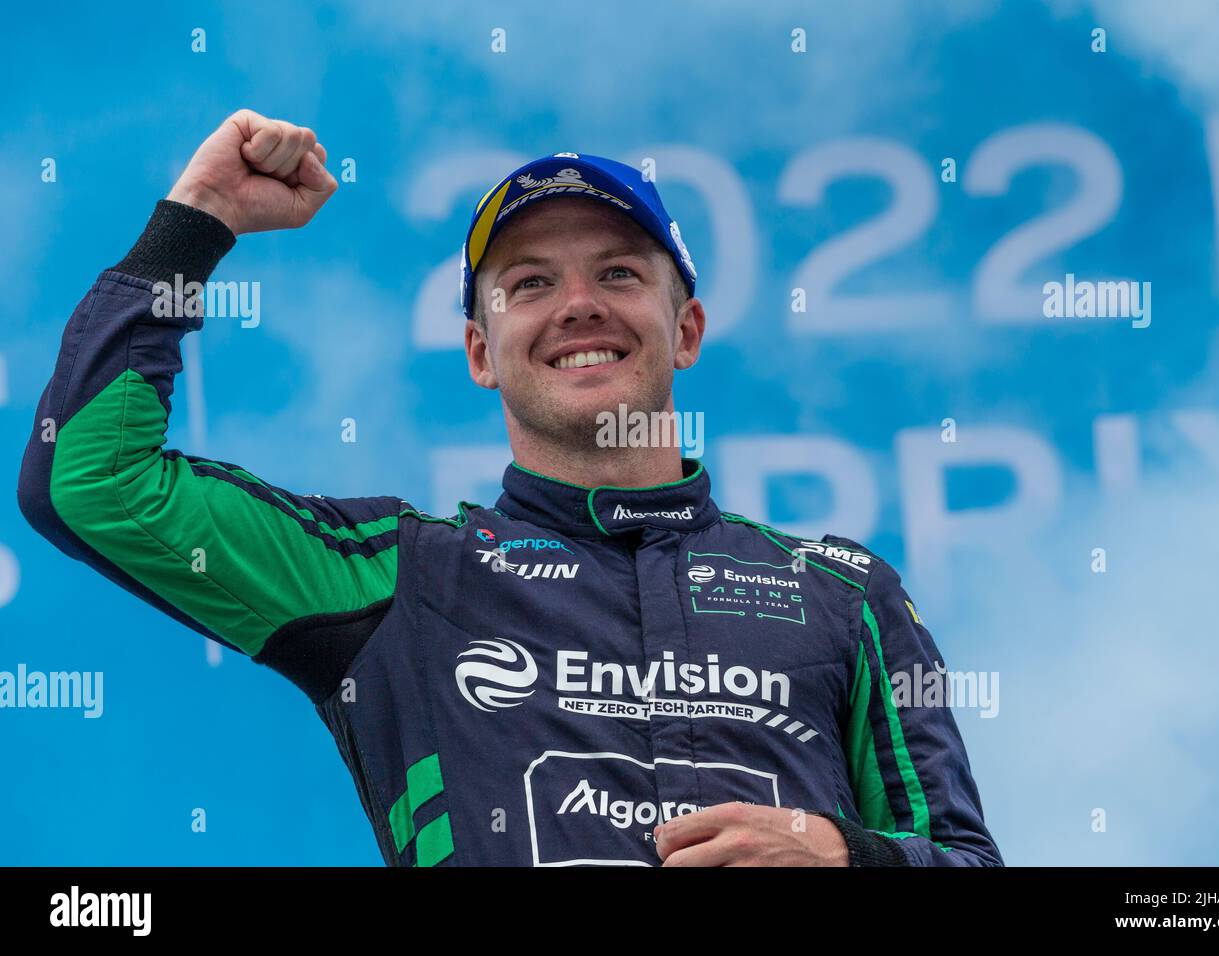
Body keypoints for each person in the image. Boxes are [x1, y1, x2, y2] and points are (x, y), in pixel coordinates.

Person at [18, 109, 1003, 867]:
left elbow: (966, 858)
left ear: (687, 331)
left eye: (617, 272)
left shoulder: (840, 590)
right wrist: (199, 222)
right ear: (482, 354)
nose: (577, 304)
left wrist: (846, 853)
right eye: (529, 282)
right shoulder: (397, 576)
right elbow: (92, 481)